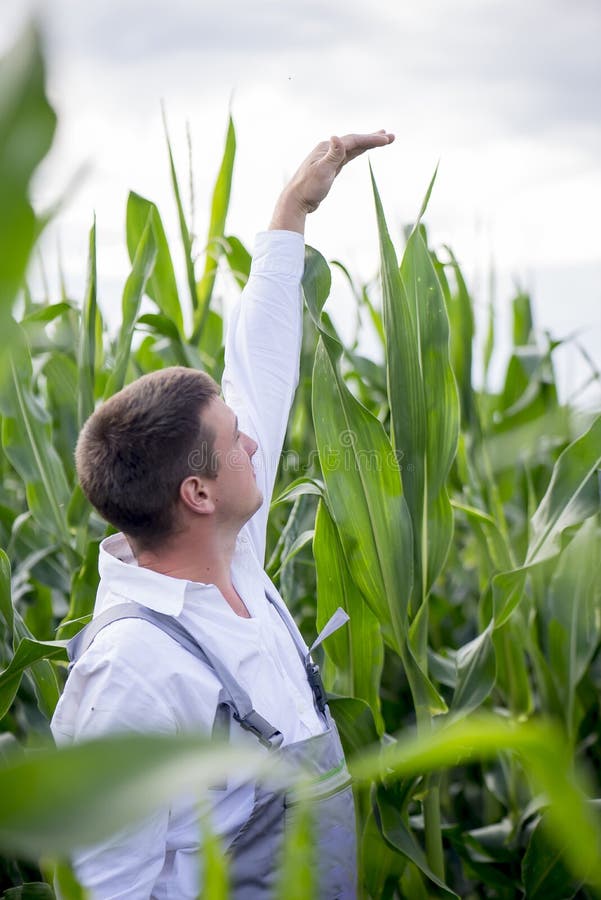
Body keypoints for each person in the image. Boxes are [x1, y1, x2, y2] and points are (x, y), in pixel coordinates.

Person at [51, 130, 395, 899]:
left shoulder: (231, 559)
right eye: (230, 436)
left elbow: (260, 374)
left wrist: (289, 213)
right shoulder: (134, 668)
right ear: (197, 495)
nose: (252, 438)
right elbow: (110, 884)